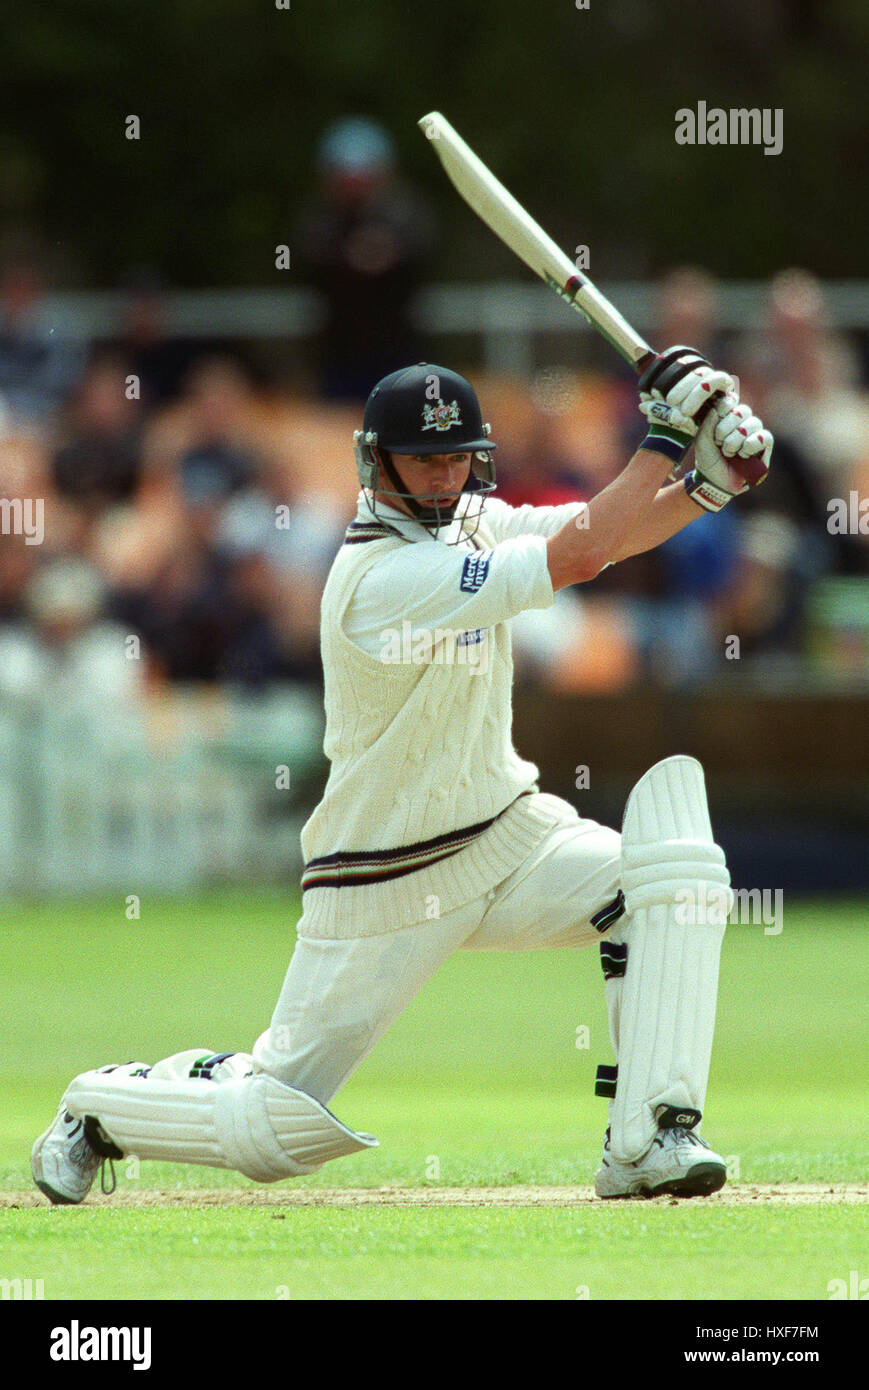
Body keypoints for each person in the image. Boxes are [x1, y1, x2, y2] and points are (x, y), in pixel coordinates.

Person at [32, 352, 773, 1203]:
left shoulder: (472, 524)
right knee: (271, 1125)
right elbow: (579, 553)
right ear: (372, 461)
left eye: (458, 455)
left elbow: (599, 535)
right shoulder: (378, 579)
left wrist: (704, 486)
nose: (445, 473)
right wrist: (667, 436)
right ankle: (100, 1108)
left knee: (668, 879)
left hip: (506, 834)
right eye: (424, 458)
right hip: (383, 875)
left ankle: (648, 1139)